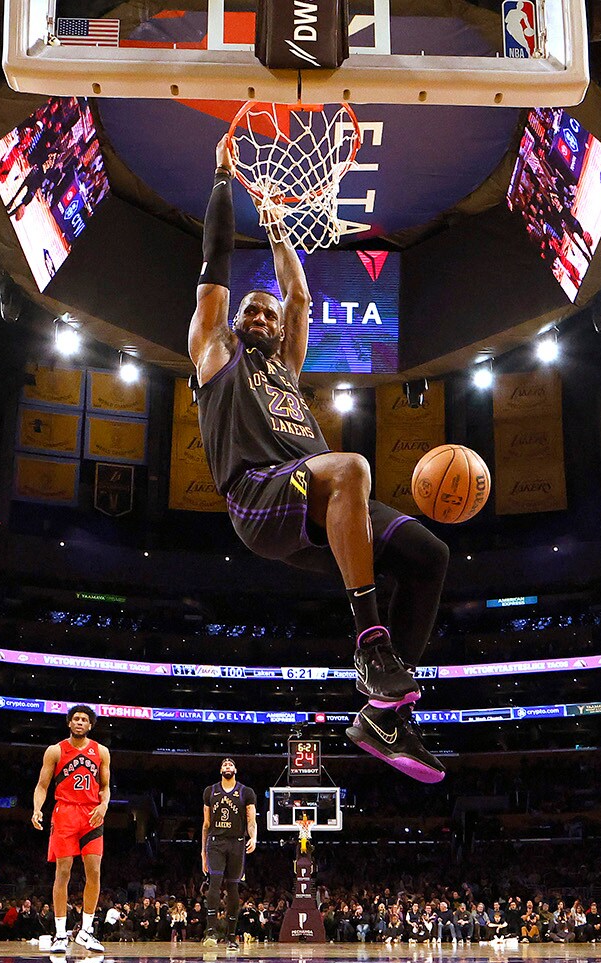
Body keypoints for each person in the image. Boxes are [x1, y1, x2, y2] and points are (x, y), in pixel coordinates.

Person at [189, 132, 449, 783]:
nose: (258, 312)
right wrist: (224, 181)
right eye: (249, 308)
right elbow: (216, 260)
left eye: (266, 311)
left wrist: (278, 224)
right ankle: (371, 643)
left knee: (427, 557)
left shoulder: (288, 371)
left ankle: (387, 714)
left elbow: (298, 296)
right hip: (255, 495)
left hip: (312, 505)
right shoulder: (214, 355)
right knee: (350, 467)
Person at [32, 705, 110, 954]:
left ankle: (86, 931)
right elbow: (42, 786)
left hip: (91, 814)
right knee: (62, 872)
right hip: (65, 813)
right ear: (69, 723)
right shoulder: (55, 750)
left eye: (84, 719)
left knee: (94, 872)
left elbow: (105, 787)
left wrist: (104, 805)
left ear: (90, 725)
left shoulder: (101, 751)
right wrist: (37, 809)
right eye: (75, 718)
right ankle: (60, 934)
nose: (79, 722)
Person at [200, 757, 257, 949]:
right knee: (214, 883)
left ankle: (232, 936)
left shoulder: (245, 792)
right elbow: (206, 824)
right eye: (224, 764)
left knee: (233, 888)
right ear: (220, 771)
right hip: (216, 842)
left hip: (237, 843)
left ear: (235, 770)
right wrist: (202, 852)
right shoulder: (210, 791)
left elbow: (251, 820)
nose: (227, 766)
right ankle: (211, 931)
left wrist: (253, 837)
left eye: (230, 764)